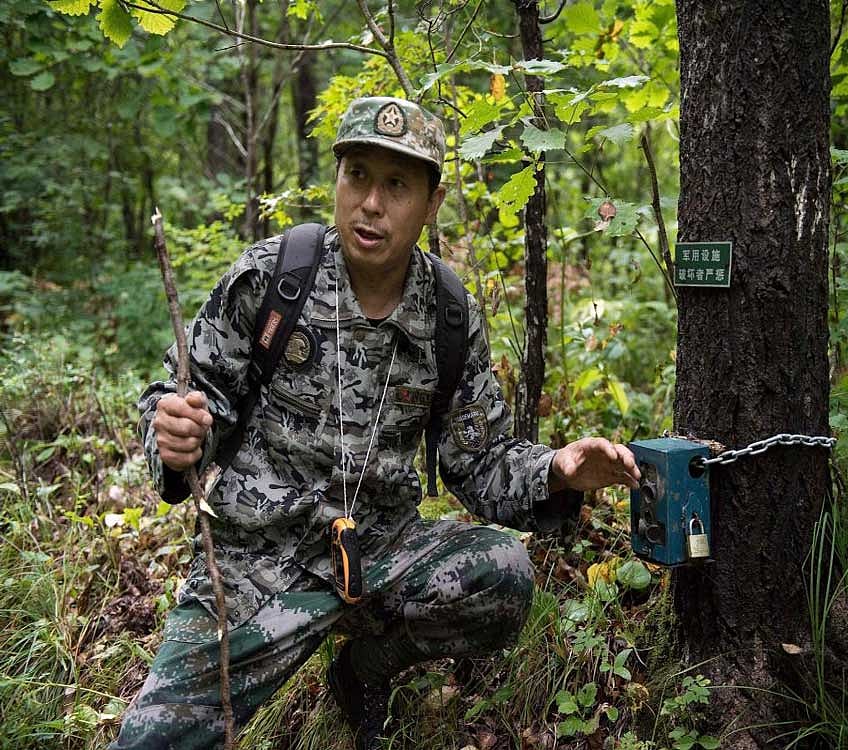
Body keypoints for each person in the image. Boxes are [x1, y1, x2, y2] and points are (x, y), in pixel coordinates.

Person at [111, 96, 640, 750]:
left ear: (431, 201)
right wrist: (174, 434)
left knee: (501, 574)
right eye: (357, 174)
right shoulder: (276, 277)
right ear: (337, 181)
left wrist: (557, 470)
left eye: (396, 185)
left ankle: (365, 671)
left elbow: (478, 461)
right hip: (259, 560)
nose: (370, 203)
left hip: (381, 553)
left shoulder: (446, 313)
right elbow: (182, 391)